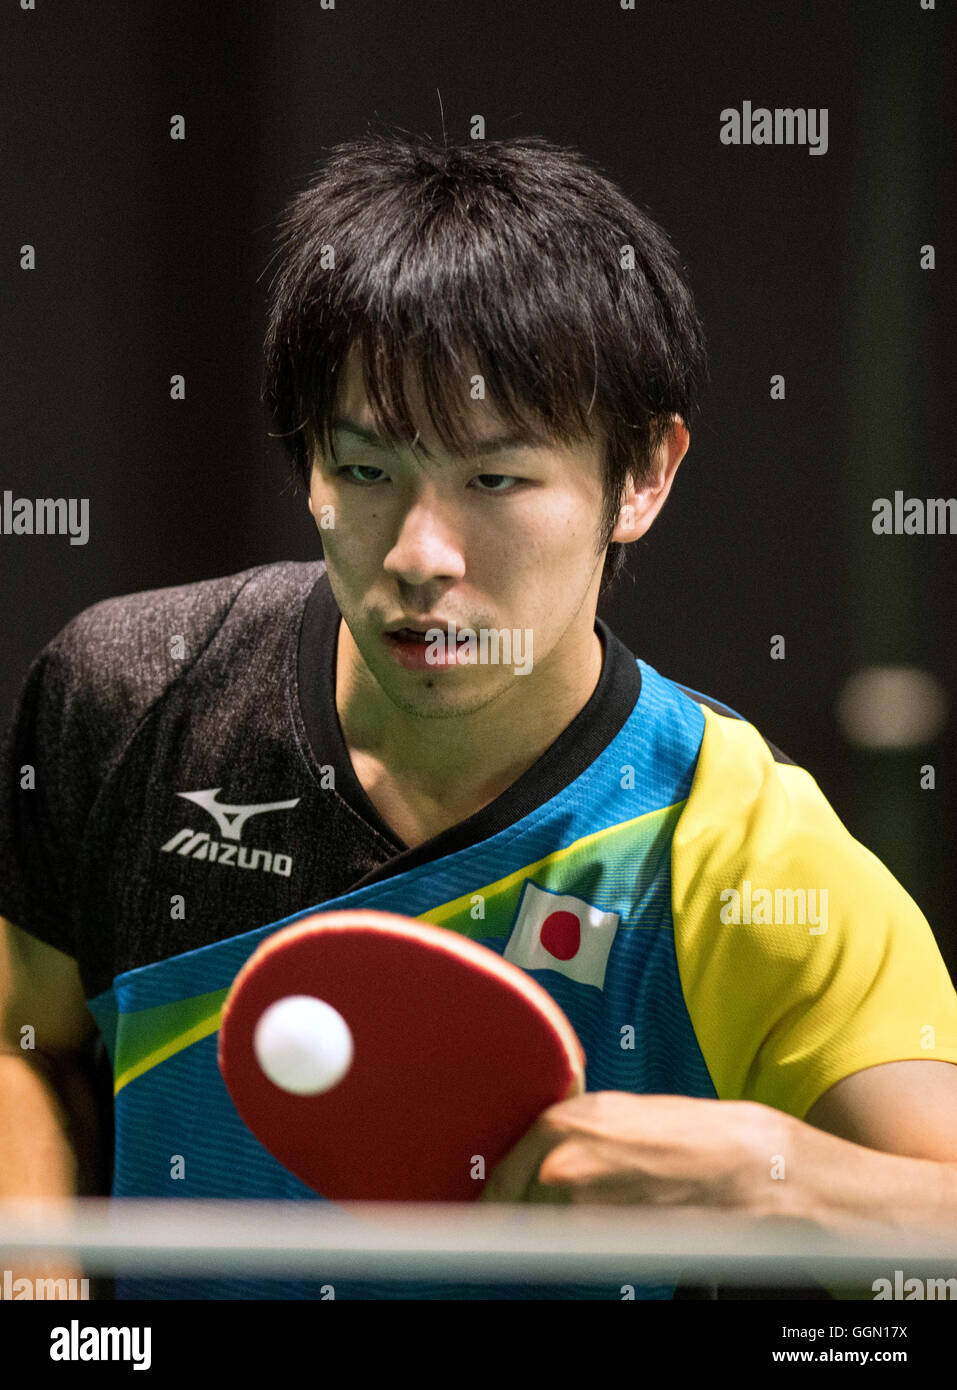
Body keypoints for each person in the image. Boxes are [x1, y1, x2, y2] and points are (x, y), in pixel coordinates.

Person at [1, 133, 956, 1302]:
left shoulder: (740, 852)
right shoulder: (133, 690)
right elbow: (24, 1036)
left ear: (645, 474)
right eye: (364, 471)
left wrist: (780, 1182)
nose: (419, 555)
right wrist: (39, 1287)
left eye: (495, 480)